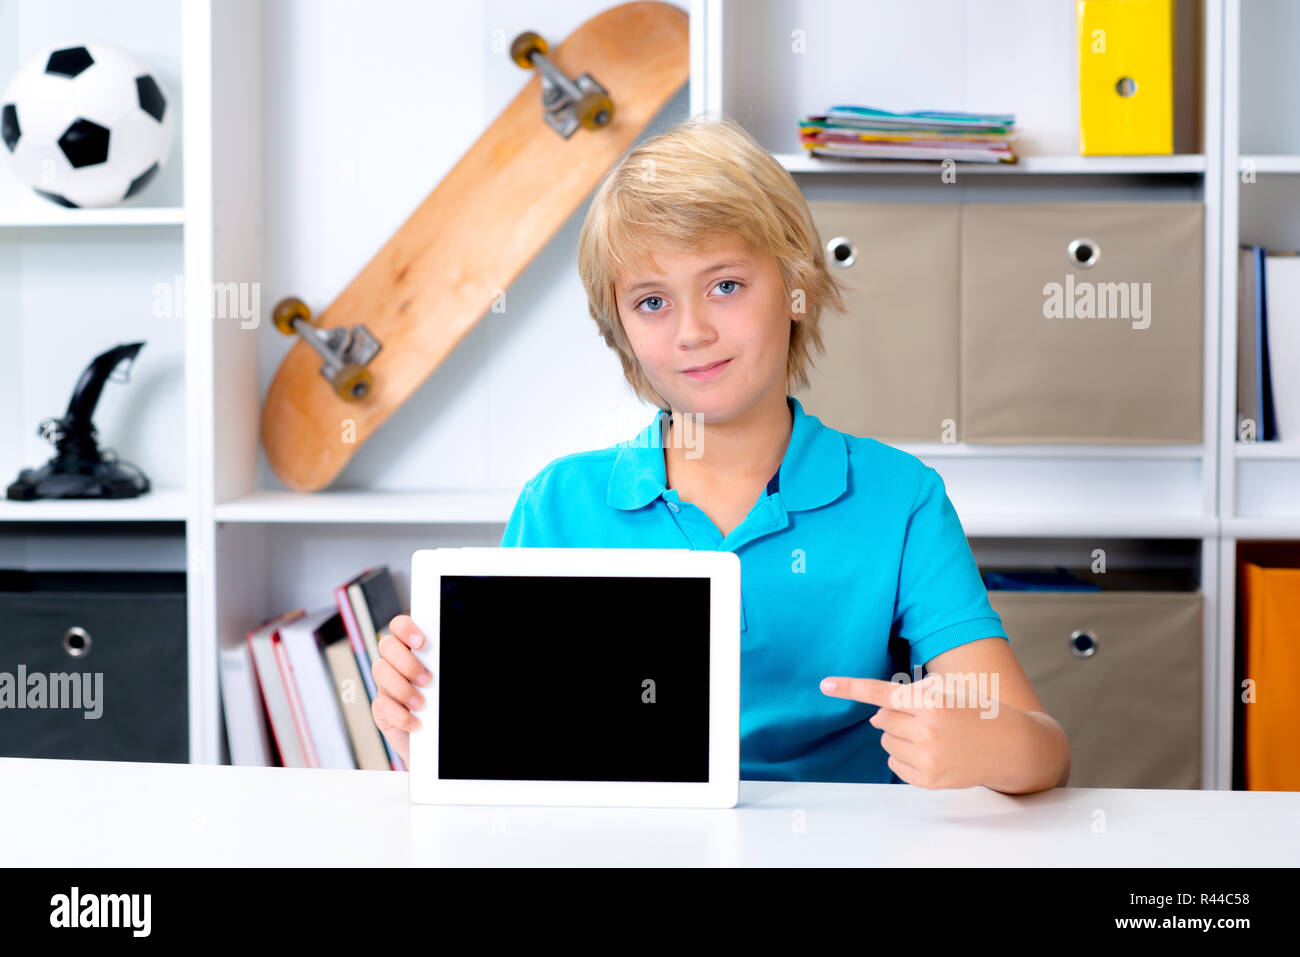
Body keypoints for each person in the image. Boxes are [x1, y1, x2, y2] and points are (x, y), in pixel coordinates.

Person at [372, 114, 1069, 792]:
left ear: (795, 288)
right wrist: (421, 724)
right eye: (651, 302)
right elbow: (508, 749)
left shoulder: (901, 498)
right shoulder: (557, 504)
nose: (693, 331)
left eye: (725, 286)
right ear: (620, 328)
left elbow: (1044, 749)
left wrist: (986, 744)